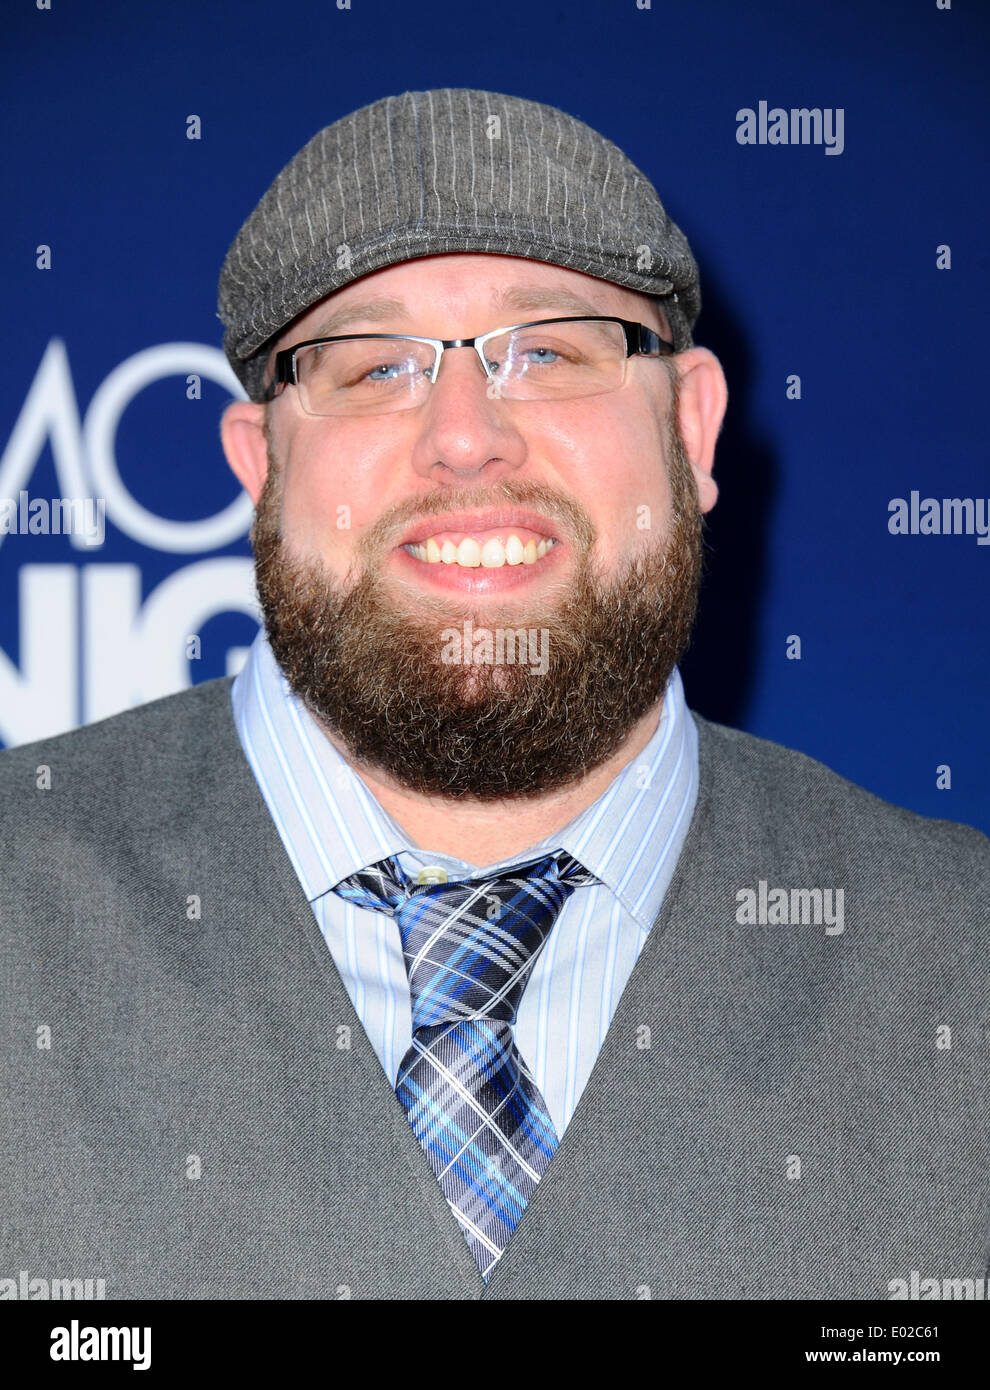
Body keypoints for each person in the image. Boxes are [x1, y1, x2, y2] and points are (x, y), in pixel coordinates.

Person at [1, 88, 987, 1302]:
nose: (465, 437)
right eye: (371, 370)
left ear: (694, 428)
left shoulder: (963, 963)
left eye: (552, 352)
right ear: (260, 468)